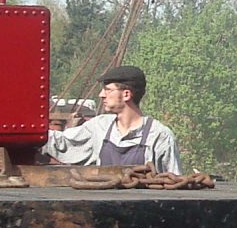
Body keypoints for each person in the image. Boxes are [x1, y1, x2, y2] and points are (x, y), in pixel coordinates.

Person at [43, 64, 181, 172]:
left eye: (108, 89)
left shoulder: (159, 136)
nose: (101, 94)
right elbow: (64, 142)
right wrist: (34, 134)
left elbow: (173, 183)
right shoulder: (99, 127)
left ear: (126, 94)